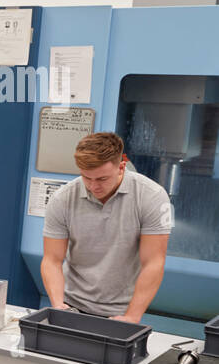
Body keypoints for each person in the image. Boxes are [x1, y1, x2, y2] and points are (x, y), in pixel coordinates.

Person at [41, 132, 173, 321]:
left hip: (123, 310)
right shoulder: (62, 199)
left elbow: (154, 262)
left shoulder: (152, 196)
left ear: (121, 167)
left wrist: (132, 317)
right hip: (71, 303)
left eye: (102, 179)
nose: (93, 186)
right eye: (86, 177)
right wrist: (58, 305)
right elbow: (52, 260)